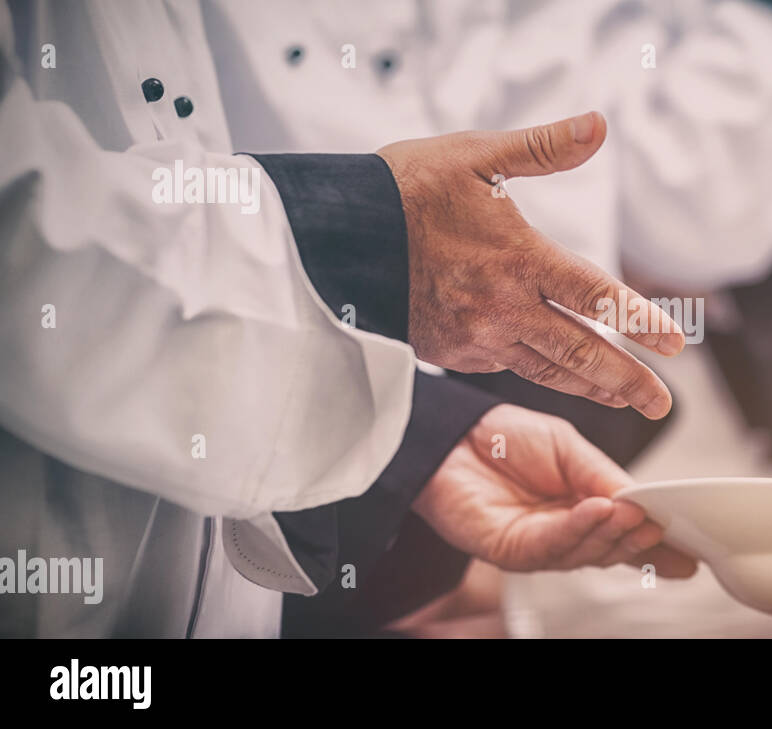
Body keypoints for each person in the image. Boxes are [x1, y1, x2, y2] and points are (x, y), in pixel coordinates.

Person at [0, 0, 693, 637]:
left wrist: (423, 439)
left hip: (249, 538)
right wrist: (374, 238)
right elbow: (27, 229)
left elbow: (193, 236)